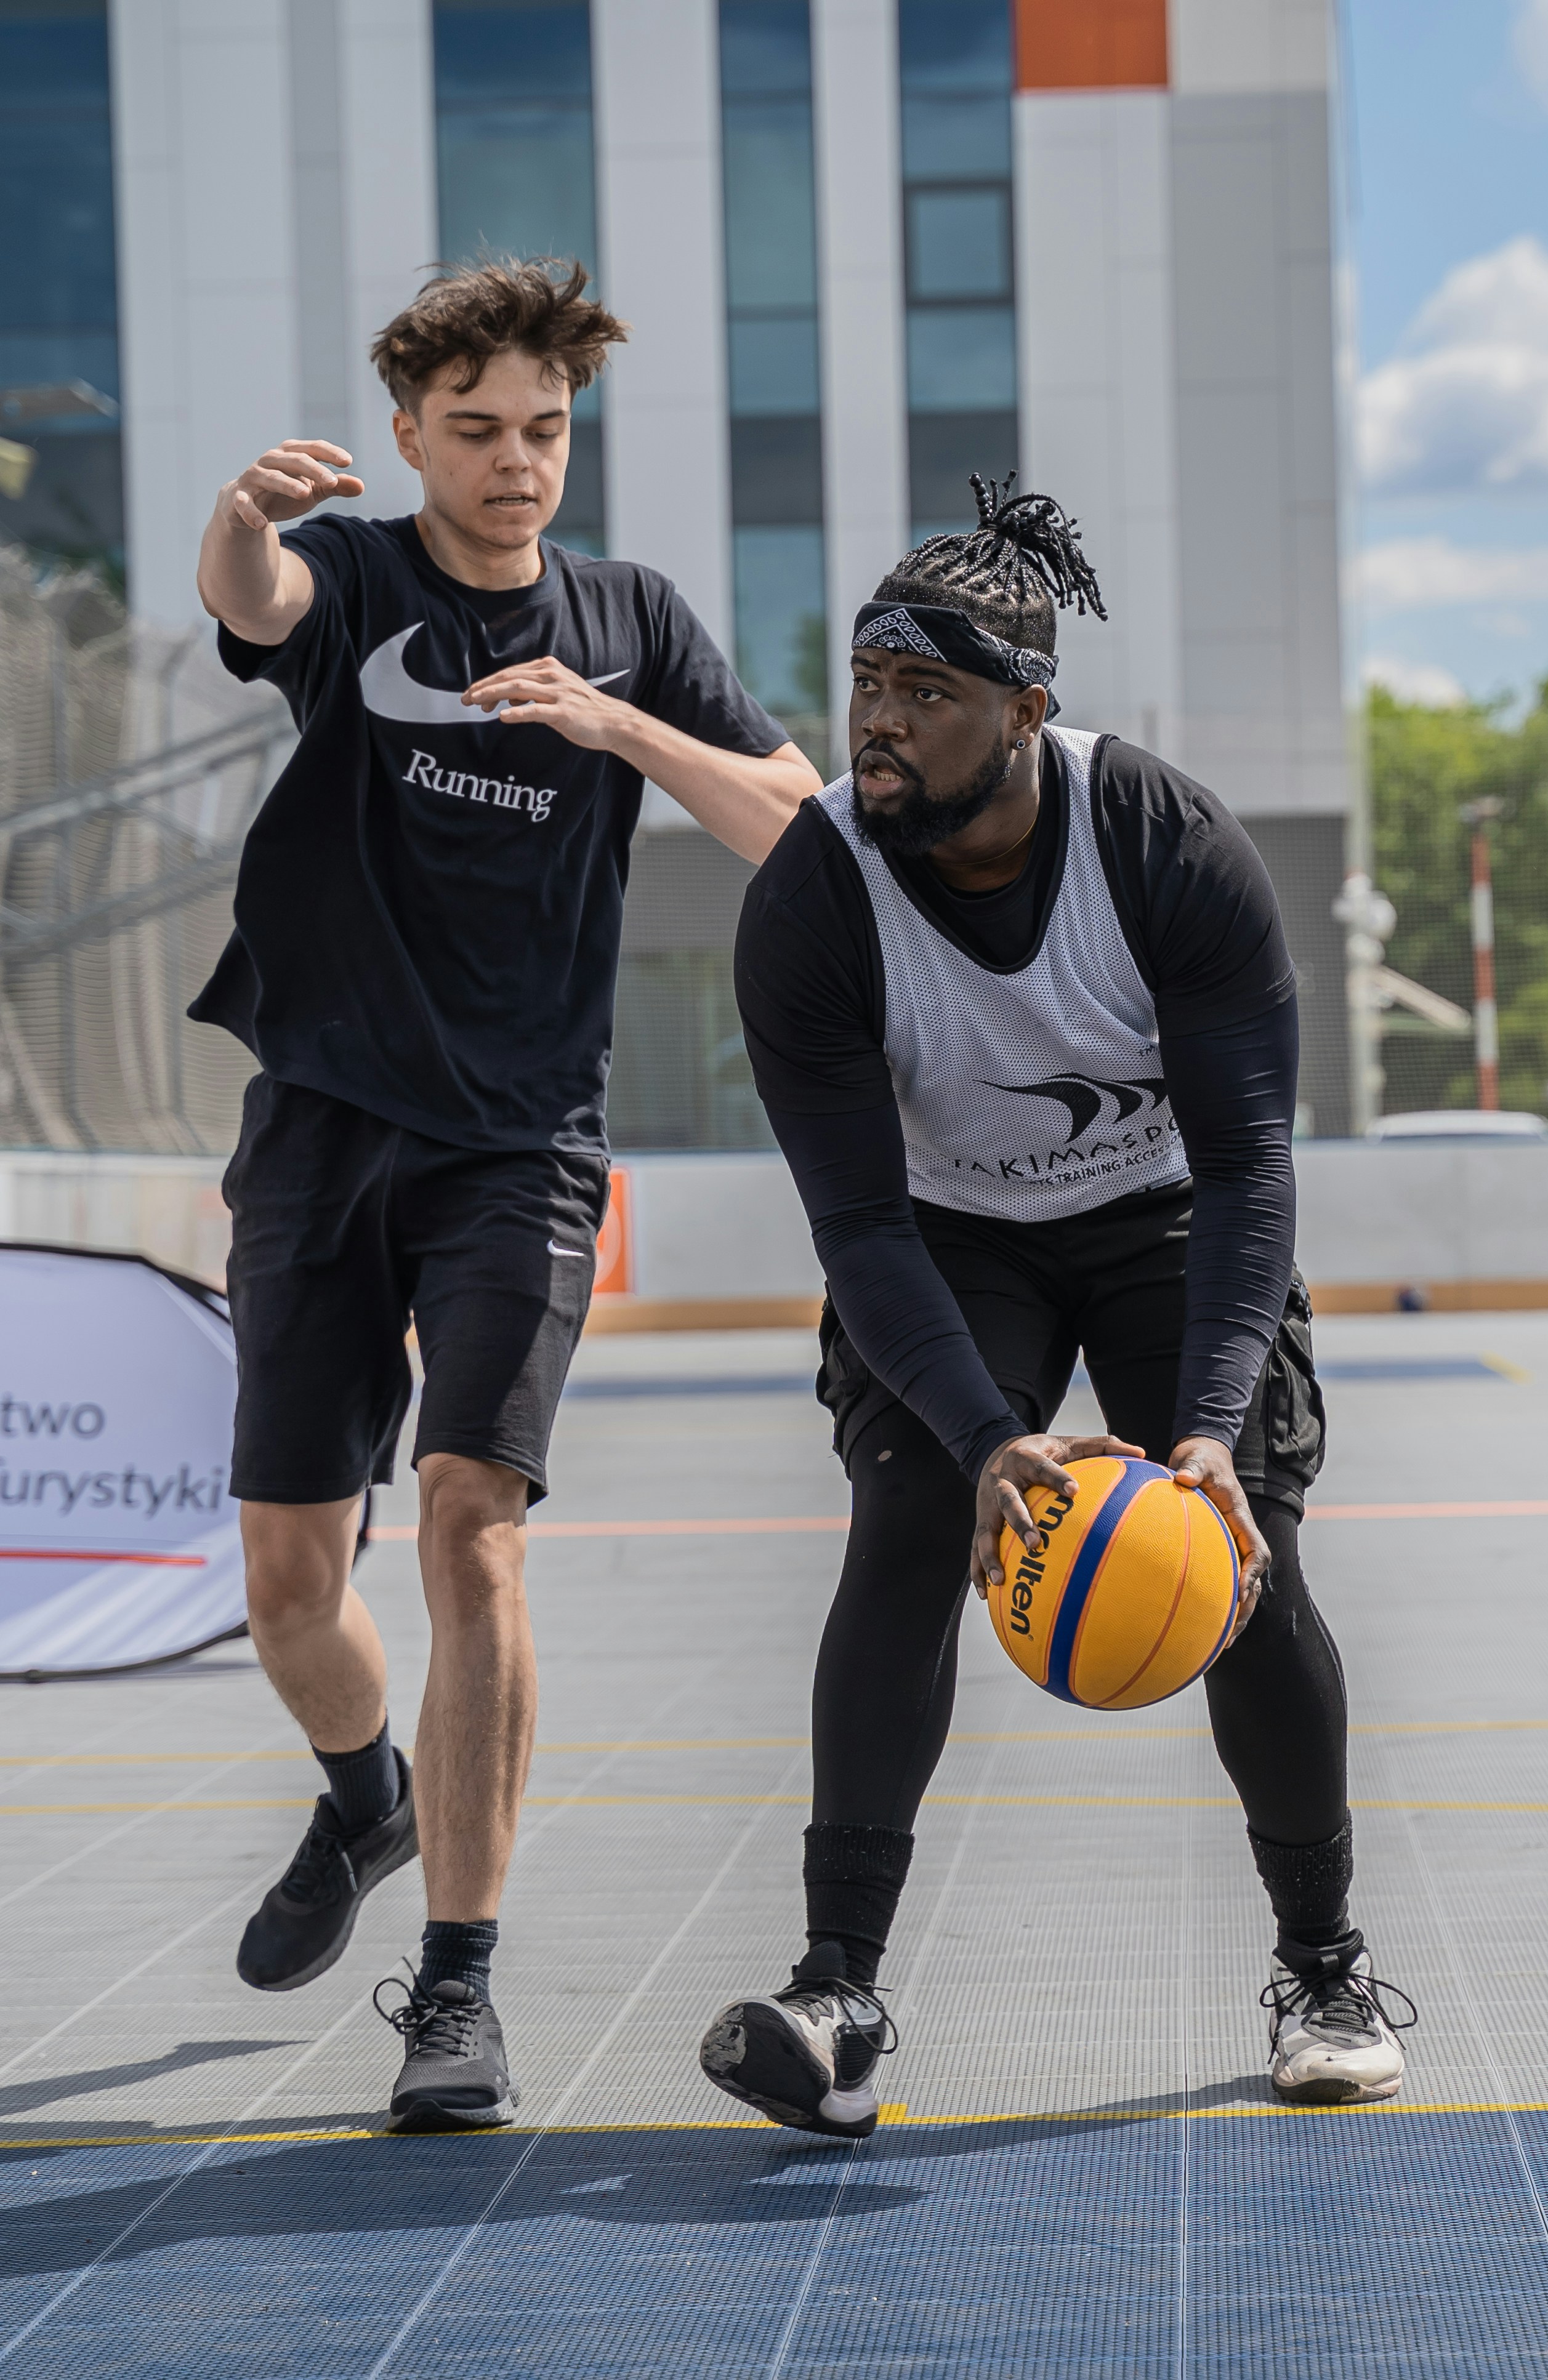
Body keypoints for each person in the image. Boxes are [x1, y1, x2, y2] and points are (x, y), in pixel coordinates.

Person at [699, 476, 1414, 2136]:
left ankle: (1321, 1964)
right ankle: (837, 1993)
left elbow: (1247, 1170)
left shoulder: (1163, 843)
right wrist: (980, 1434)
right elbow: (857, 1218)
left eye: (926, 694)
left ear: (1026, 709)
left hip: (1170, 1211)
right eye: (868, 686)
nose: (878, 725)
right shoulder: (811, 894)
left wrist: (1213, 1429)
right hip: (944, 1234)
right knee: (901, 1525)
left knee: (1244, 1557)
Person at [193, 258, 820, 2131]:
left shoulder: (634, 618)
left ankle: (454, 1985)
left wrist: (624, 730)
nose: (515, 461)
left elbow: (800, 825)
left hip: (521, 1142)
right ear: (409, 436)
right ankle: (365, 1797)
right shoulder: (366, 578)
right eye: (474, 430)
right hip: (315, 1124)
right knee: (291, 1586)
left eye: (543, 429)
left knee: (473, 1519)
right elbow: (262, 602)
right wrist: (236, 517)